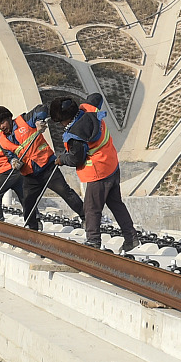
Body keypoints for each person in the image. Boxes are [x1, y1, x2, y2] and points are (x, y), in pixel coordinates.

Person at [51, 94, 138, 252]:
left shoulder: (76, 135)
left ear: (66, 118)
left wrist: (62, 159)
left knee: (91, 208)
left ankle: (93, 241)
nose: (60, 125)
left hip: (98, 173)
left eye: (60, 122)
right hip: (112, 165)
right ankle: (131, 237)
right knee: (116, 204)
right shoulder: (88, 109)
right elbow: (96, 97)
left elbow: (76, 158)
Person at [0, 105, 85, 230]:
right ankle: (33, 226)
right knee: (27, 201)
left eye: (2, 122)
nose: (2, 126)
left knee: (66, 192)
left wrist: (39, 121)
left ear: (9, 118)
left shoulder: (24, 120)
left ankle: (86, 218)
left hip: (47, 166)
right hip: (30, 174)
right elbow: (10, 155)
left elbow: (42, 109)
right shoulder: (3, 141)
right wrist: (14, 162)